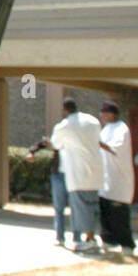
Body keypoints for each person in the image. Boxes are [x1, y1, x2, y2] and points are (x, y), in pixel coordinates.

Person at [50, 98, 105, 254]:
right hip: (96, 172)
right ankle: (90, 237)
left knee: (81, 209)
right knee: (92, 207)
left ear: (64, 110)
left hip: (78, 175)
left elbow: (56, 144)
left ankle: (88, 240)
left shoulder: (64, 126)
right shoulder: (93, 121)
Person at [97, 101, 135, 253]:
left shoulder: (122, 129)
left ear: (112, 114)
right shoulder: (105, 129)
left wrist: (97, 142)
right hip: (105, 179)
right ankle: (109, 241)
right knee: (105, 214)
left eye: (104, 113)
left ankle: (127, 244)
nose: (102, 116)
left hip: (119, 180)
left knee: (119, 216)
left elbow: (115, 148)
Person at [27, 137, 68, 246]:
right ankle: (60, 237)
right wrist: (32, 152)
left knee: (76, 206)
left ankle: (77, 238)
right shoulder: (59, 135)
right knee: (59, 207)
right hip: (58, 174)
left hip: (74, 174)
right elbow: (43, 142)